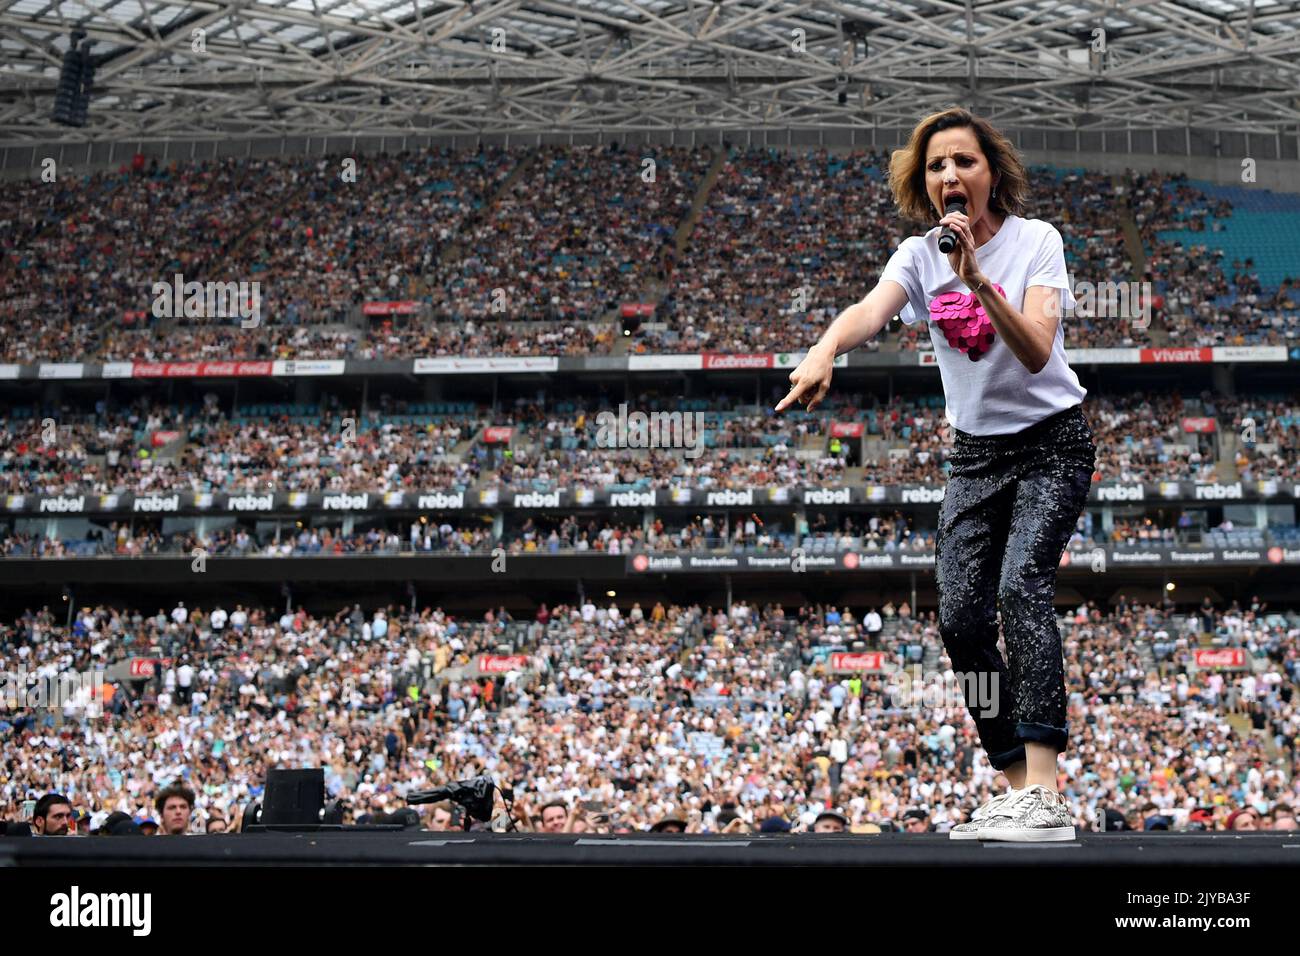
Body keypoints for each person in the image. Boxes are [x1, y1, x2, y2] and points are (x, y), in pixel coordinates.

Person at [778, 107, 1095, 843]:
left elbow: (1040, 350)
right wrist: (827, 347)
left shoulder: (1036, 242)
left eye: (965, 161)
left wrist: (979, 280)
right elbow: (868, 310)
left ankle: (1046, 789)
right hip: (976, 455)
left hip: (1052, 443)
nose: (950, 175)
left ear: (993, 173)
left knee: (1021, 584)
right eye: (936, 166)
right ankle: (1017, 782)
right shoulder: (920, 255)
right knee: (958, 619)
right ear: (924, 185)